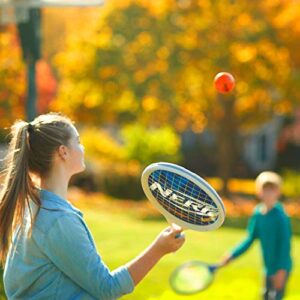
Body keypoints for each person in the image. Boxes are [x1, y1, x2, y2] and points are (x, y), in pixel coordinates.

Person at [0, 112, 185, 299]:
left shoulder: (32, 209)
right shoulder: (57, 219)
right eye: (78, 141)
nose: (83, 147)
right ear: (63, 152)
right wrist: (159, 249)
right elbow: (108, 288)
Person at [219, 171, 292, 300]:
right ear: (259, 192)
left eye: (272, 189)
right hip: (268, 268)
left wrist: (281, 270)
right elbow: (250, 239)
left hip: (281, 268)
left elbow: (285, 245)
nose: (268, 193)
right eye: (265, 189)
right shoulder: (257, 214)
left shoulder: (281, 217)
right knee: (265, 296)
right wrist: (232, 255)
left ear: (278, 192)